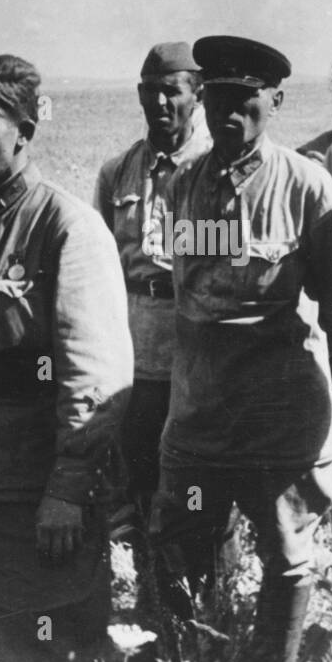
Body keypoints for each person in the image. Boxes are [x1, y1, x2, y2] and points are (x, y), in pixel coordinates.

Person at [149, 35, 332, 662]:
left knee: (286, 550)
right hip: (200, 410)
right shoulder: (184, 184)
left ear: (272, 101)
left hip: (280, 411)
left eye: (245, 101)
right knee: (177, 531)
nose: (229, 114)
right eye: (218, 98)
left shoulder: (308, 185)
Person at [0, 52, 132, 662]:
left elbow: (93, 372)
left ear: (24, 130)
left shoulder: (67, 227)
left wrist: (69, 488)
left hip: (38, 487)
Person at [94, 41, 210, 543]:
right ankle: (152, 587)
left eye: (172, 92)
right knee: (139, 467)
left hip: (197, 344)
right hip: (137, 346)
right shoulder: (117, 171)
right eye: (149, 93)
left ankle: (203, 591)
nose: (159, 104)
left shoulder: (213, 166)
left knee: (198, 477)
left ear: (197, 94)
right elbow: (98, 265)